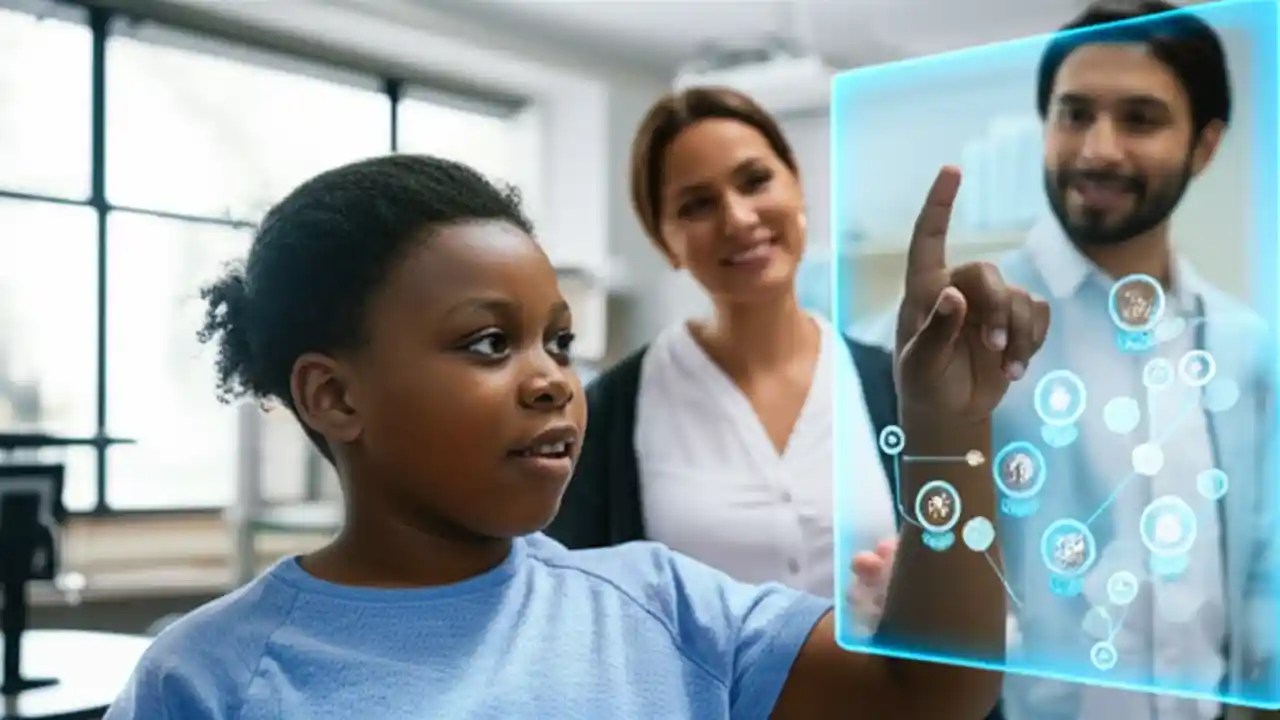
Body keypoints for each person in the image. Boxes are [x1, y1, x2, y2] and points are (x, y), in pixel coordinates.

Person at [102, 153, 1047, 718]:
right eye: (487, 343)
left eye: (559, 340)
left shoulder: (661, 607)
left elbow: (929, 693)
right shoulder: (207, 677)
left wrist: (946, 431)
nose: (554, 377)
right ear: (334, 397)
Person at [853, 2, 1278, 719]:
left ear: (1204, 146)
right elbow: (888, 580)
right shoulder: (942, 342)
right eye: (1073, 114)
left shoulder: (1244, 348)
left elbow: (1263, 574)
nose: (1097, 150)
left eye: (1140, 119)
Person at [547, 87, 903, 607]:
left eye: (755, 181)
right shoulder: (608, 414)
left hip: (878, 691)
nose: (737, 218)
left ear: (798, 187)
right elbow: (578, 611)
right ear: (664, 240)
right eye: (697, 205)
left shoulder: (895, 388)